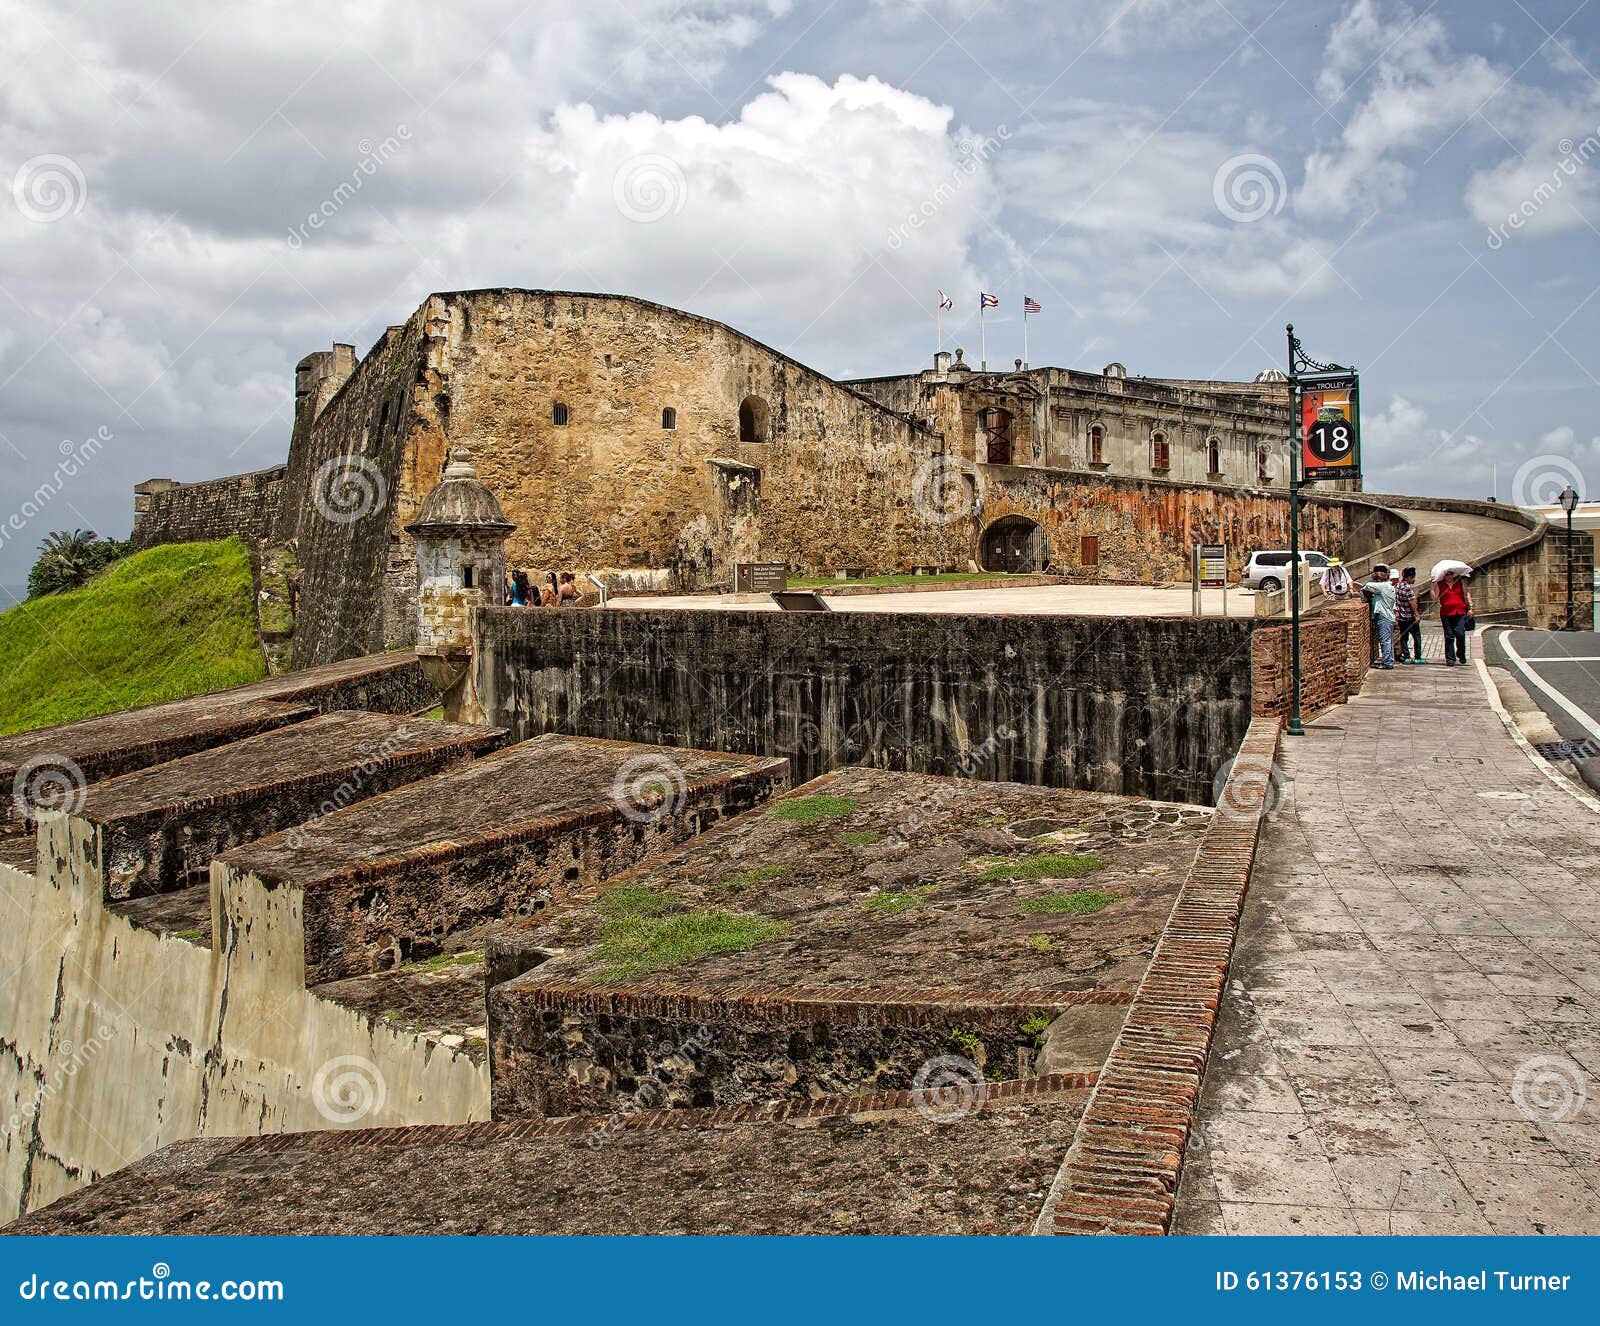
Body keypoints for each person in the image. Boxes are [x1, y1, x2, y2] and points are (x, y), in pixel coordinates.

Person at [1362, 564, 1396, 669]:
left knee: (1385, 641)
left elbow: (1366, 586)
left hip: (1384, 616)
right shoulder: (1389, 586)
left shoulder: (1383, 586)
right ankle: (1389, 660)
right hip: (1388, 616)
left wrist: (1374, 577)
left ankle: (1387, 663)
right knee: (1388, 641)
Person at [1437, 569, 1474, 667]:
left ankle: (1461, 653)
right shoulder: (1440, 584)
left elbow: (1466, 594)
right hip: (1446, 613)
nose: (1449, 576)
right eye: (1447, 575)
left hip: (1460, 611)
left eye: (1451, 574)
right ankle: (1450, 658)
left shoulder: (1460, 582)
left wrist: (1471, 608)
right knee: (1449, 636)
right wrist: (1433, 584)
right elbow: (1434, 597)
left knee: (1460, 633)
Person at [1394, 566, 1423, 664]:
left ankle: (1406, 656)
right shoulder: (1408, 588)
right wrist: (1417, 614)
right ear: (1408, 577)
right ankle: (1418, 656)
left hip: (1401, 617)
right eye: (1413, 577)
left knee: (1404, 637)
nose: (1414, 579)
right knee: (1417, 636)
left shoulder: (1397, 586)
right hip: (1410, 617)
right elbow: (1412, 602)